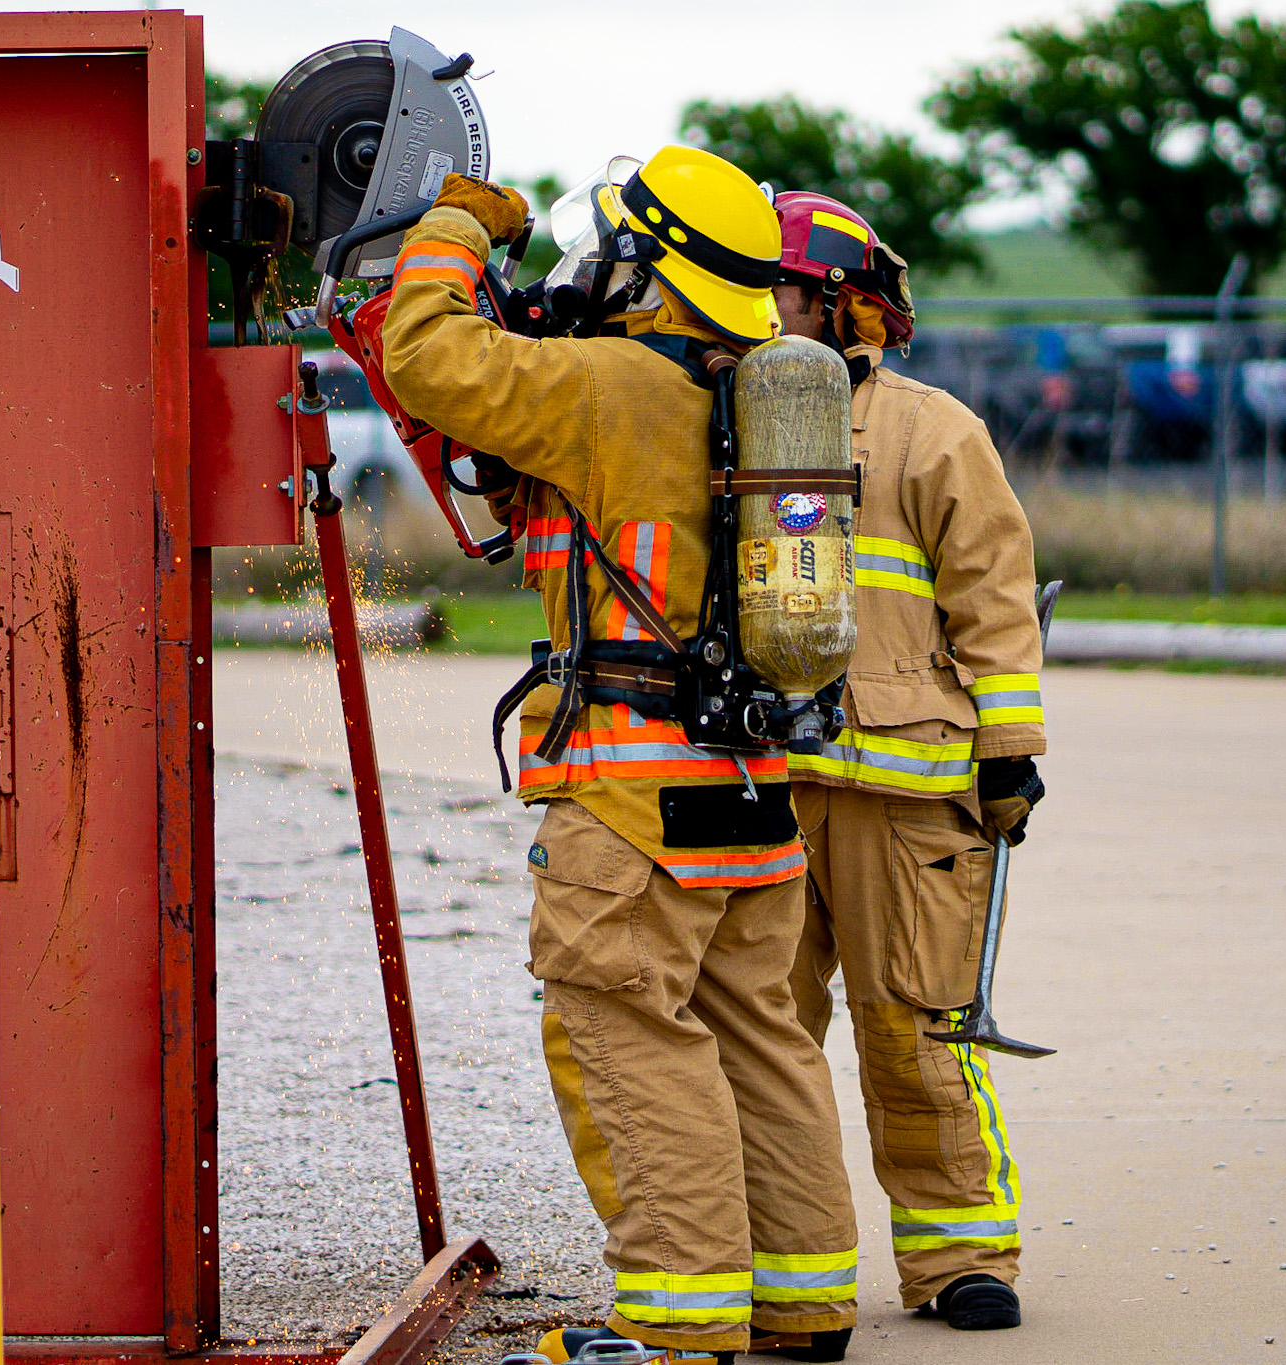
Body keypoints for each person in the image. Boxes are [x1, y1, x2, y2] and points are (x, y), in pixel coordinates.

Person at [380, 152, 860, 1363]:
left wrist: (452, 224)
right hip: (751, 788)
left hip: (631, 797)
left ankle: (677, 1322)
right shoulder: (760, 388)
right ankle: (804, 1308)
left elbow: (423, 357)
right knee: (760, 1035)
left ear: (647, 261)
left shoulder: (602, 385)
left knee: (627, 1035)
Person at [771, 190, 1048, 1332]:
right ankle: (776, 1270)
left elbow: (994, 596)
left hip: (909, 787)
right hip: (759, 783)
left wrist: (1009, 749)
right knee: (759, 1037)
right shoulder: (709, 416)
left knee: (918, 1025)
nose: (763, 309)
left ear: (848, 309)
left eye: (782, 287)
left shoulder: (935, 431)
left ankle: (957, 1258)